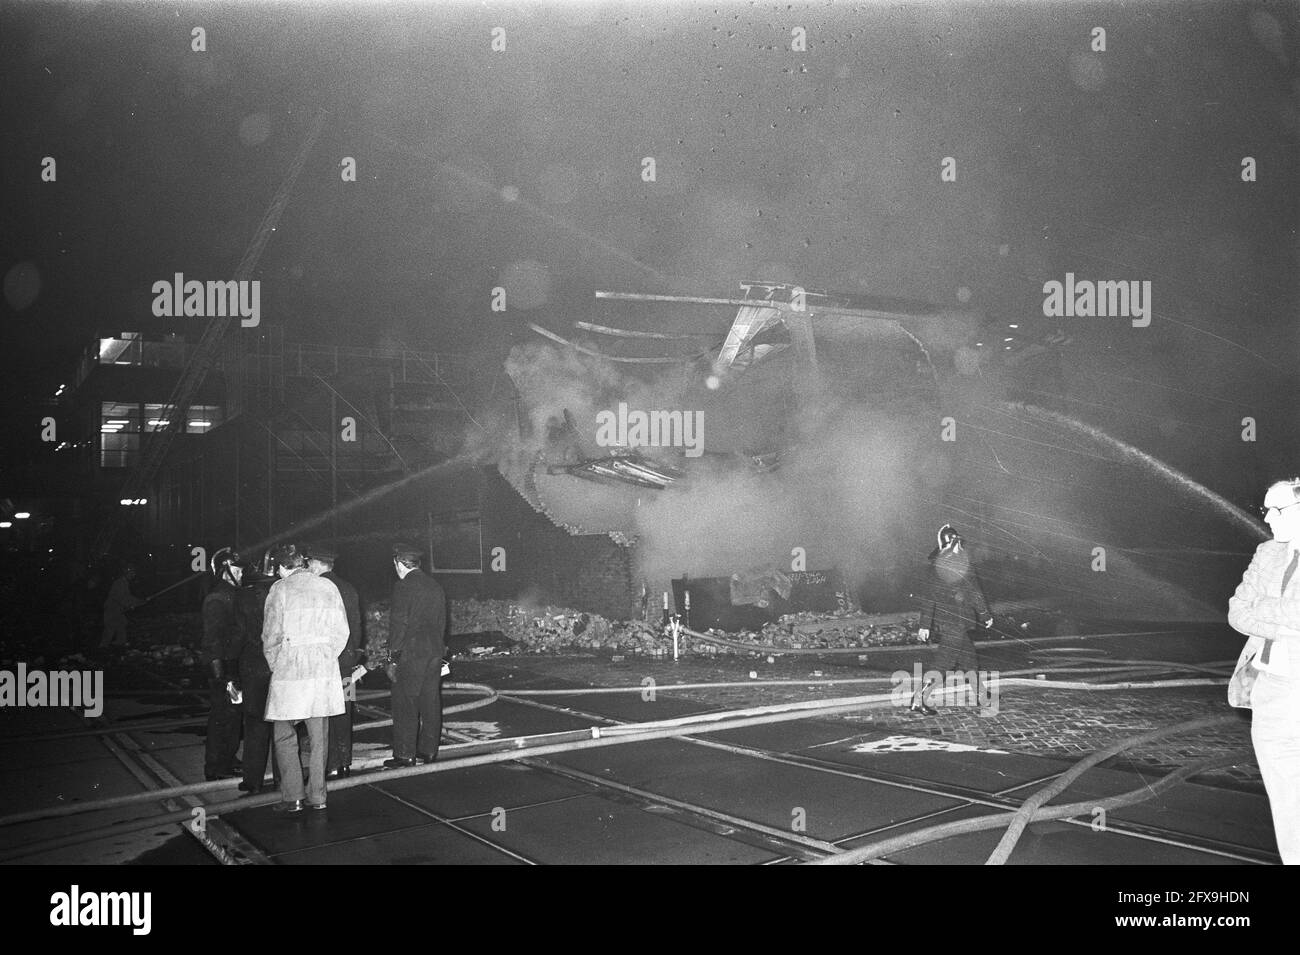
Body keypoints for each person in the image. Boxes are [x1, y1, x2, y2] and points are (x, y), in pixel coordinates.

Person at [1228, 478, 1300, 864]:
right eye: (1266, 509)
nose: (1268, 517)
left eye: (1278, 509)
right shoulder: (1267, 552)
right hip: (1270, 693)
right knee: (1287, 805)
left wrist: (1266, 612)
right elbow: (1237, 613)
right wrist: (1283, 623)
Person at [262, 543, 349, 814]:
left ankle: (293, 796)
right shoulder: (328, 587)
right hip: (322, 670)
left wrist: (278, 663)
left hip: (290, 669)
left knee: (284, 733)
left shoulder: (279, 589)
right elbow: (341, 633)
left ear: (282, 567)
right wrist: (324, 656)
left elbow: (270, 636)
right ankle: (318, 796)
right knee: (319, 734)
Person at [908, 524, 993, 715]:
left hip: (949, 622)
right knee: (943, 663)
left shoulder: (937, 564)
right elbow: (975, 592)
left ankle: (982, 695)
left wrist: (925, 625)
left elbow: (930, 597)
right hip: (957, 623)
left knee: (969, 660)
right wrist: (985, 614)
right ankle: (918, 700)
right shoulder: (961, 563)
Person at [383, 543, 446, 769]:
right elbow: (441, 623)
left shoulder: (403, 587)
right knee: (430, 702)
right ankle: (429, 751)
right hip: (434, 652)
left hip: (411, 654)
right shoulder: (435, 586)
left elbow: (399, 625)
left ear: (399, 564)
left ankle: (404, 754)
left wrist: (392, 658)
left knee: (405, 703)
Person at [307, 544, 364, 780]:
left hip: (325, 660)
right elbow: (357, 624)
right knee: (345, 708)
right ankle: (344, 762)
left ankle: (330, 762)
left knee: (325, 711)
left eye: (310, 563)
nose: (308, 566)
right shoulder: (349, 587)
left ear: (320, 564)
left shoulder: (317, 588)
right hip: (347, 660)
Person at [200, 549, 245, 781]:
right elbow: (213, 639)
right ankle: (216, 765)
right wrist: (221, 675)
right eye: (237, 570)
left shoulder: (233, 595)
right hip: (223, 666)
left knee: (233, 715)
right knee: (221, 717)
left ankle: (228, 757)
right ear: (224, 572)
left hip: (233, 664)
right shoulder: (218, 598)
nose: (241, 574)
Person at [236, 555, 276, 794]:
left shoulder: (243, 598)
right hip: (278, 663)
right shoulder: (282, 593)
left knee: (254, 723)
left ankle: (252, 780)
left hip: (252, 664)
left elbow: (239, 634)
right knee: (283, 723)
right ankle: (284, 779)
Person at [100, 563, 144, 648]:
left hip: (118, 609)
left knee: (121, 624)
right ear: (127, 573)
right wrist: (136, 602)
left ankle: (120, 643)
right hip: (112, 609)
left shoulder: (124, 583)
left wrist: (138, 601)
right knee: (110, 628)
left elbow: (127, 597)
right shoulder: (120, 583)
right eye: (132, 573)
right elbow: (122, 598)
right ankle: (102, 647)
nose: (134, 575)